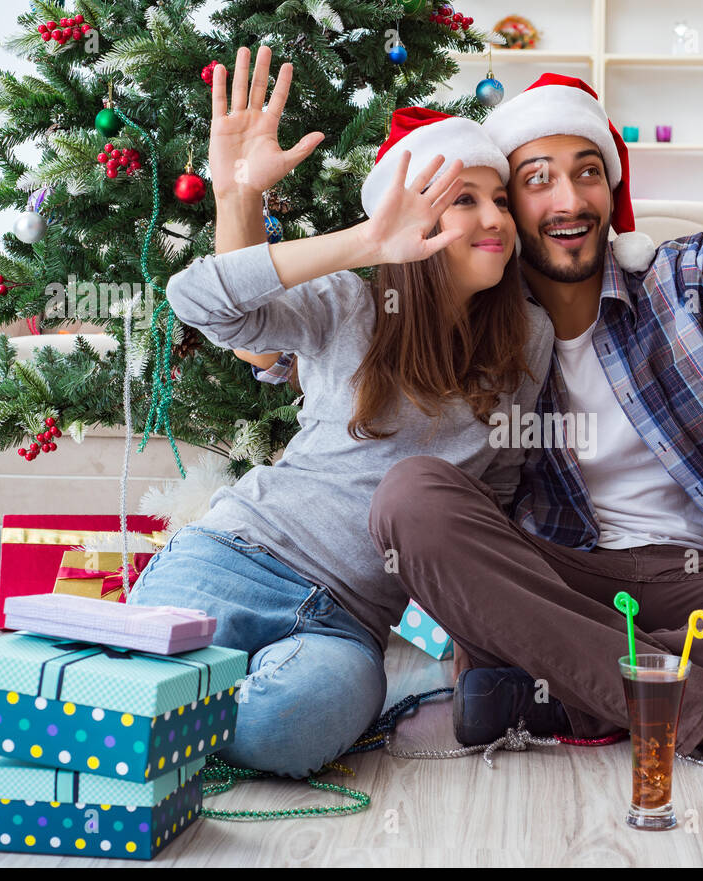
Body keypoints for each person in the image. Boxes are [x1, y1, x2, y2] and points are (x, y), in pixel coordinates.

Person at [370, 10, 703, 767]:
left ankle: (572, 691)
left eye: (587, 172)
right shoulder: (481, 320)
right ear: (507, 205)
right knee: (409, 499)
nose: (568, 200)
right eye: (537, 180)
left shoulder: (679, 282)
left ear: (611, 188)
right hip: (558, 584)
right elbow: (273, 336)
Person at [127, 46, 553, 777]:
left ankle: (160, 715)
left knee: (288, 726)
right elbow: (197, 300)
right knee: (144, 684)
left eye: (501, 200)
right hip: (231, 558)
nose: (495, 218)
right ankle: (140, 700)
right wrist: (349, 239)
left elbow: (500, 491)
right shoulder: (352, 305)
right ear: (408, 216)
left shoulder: (528, 338)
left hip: (344, 624)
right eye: (464, 198)